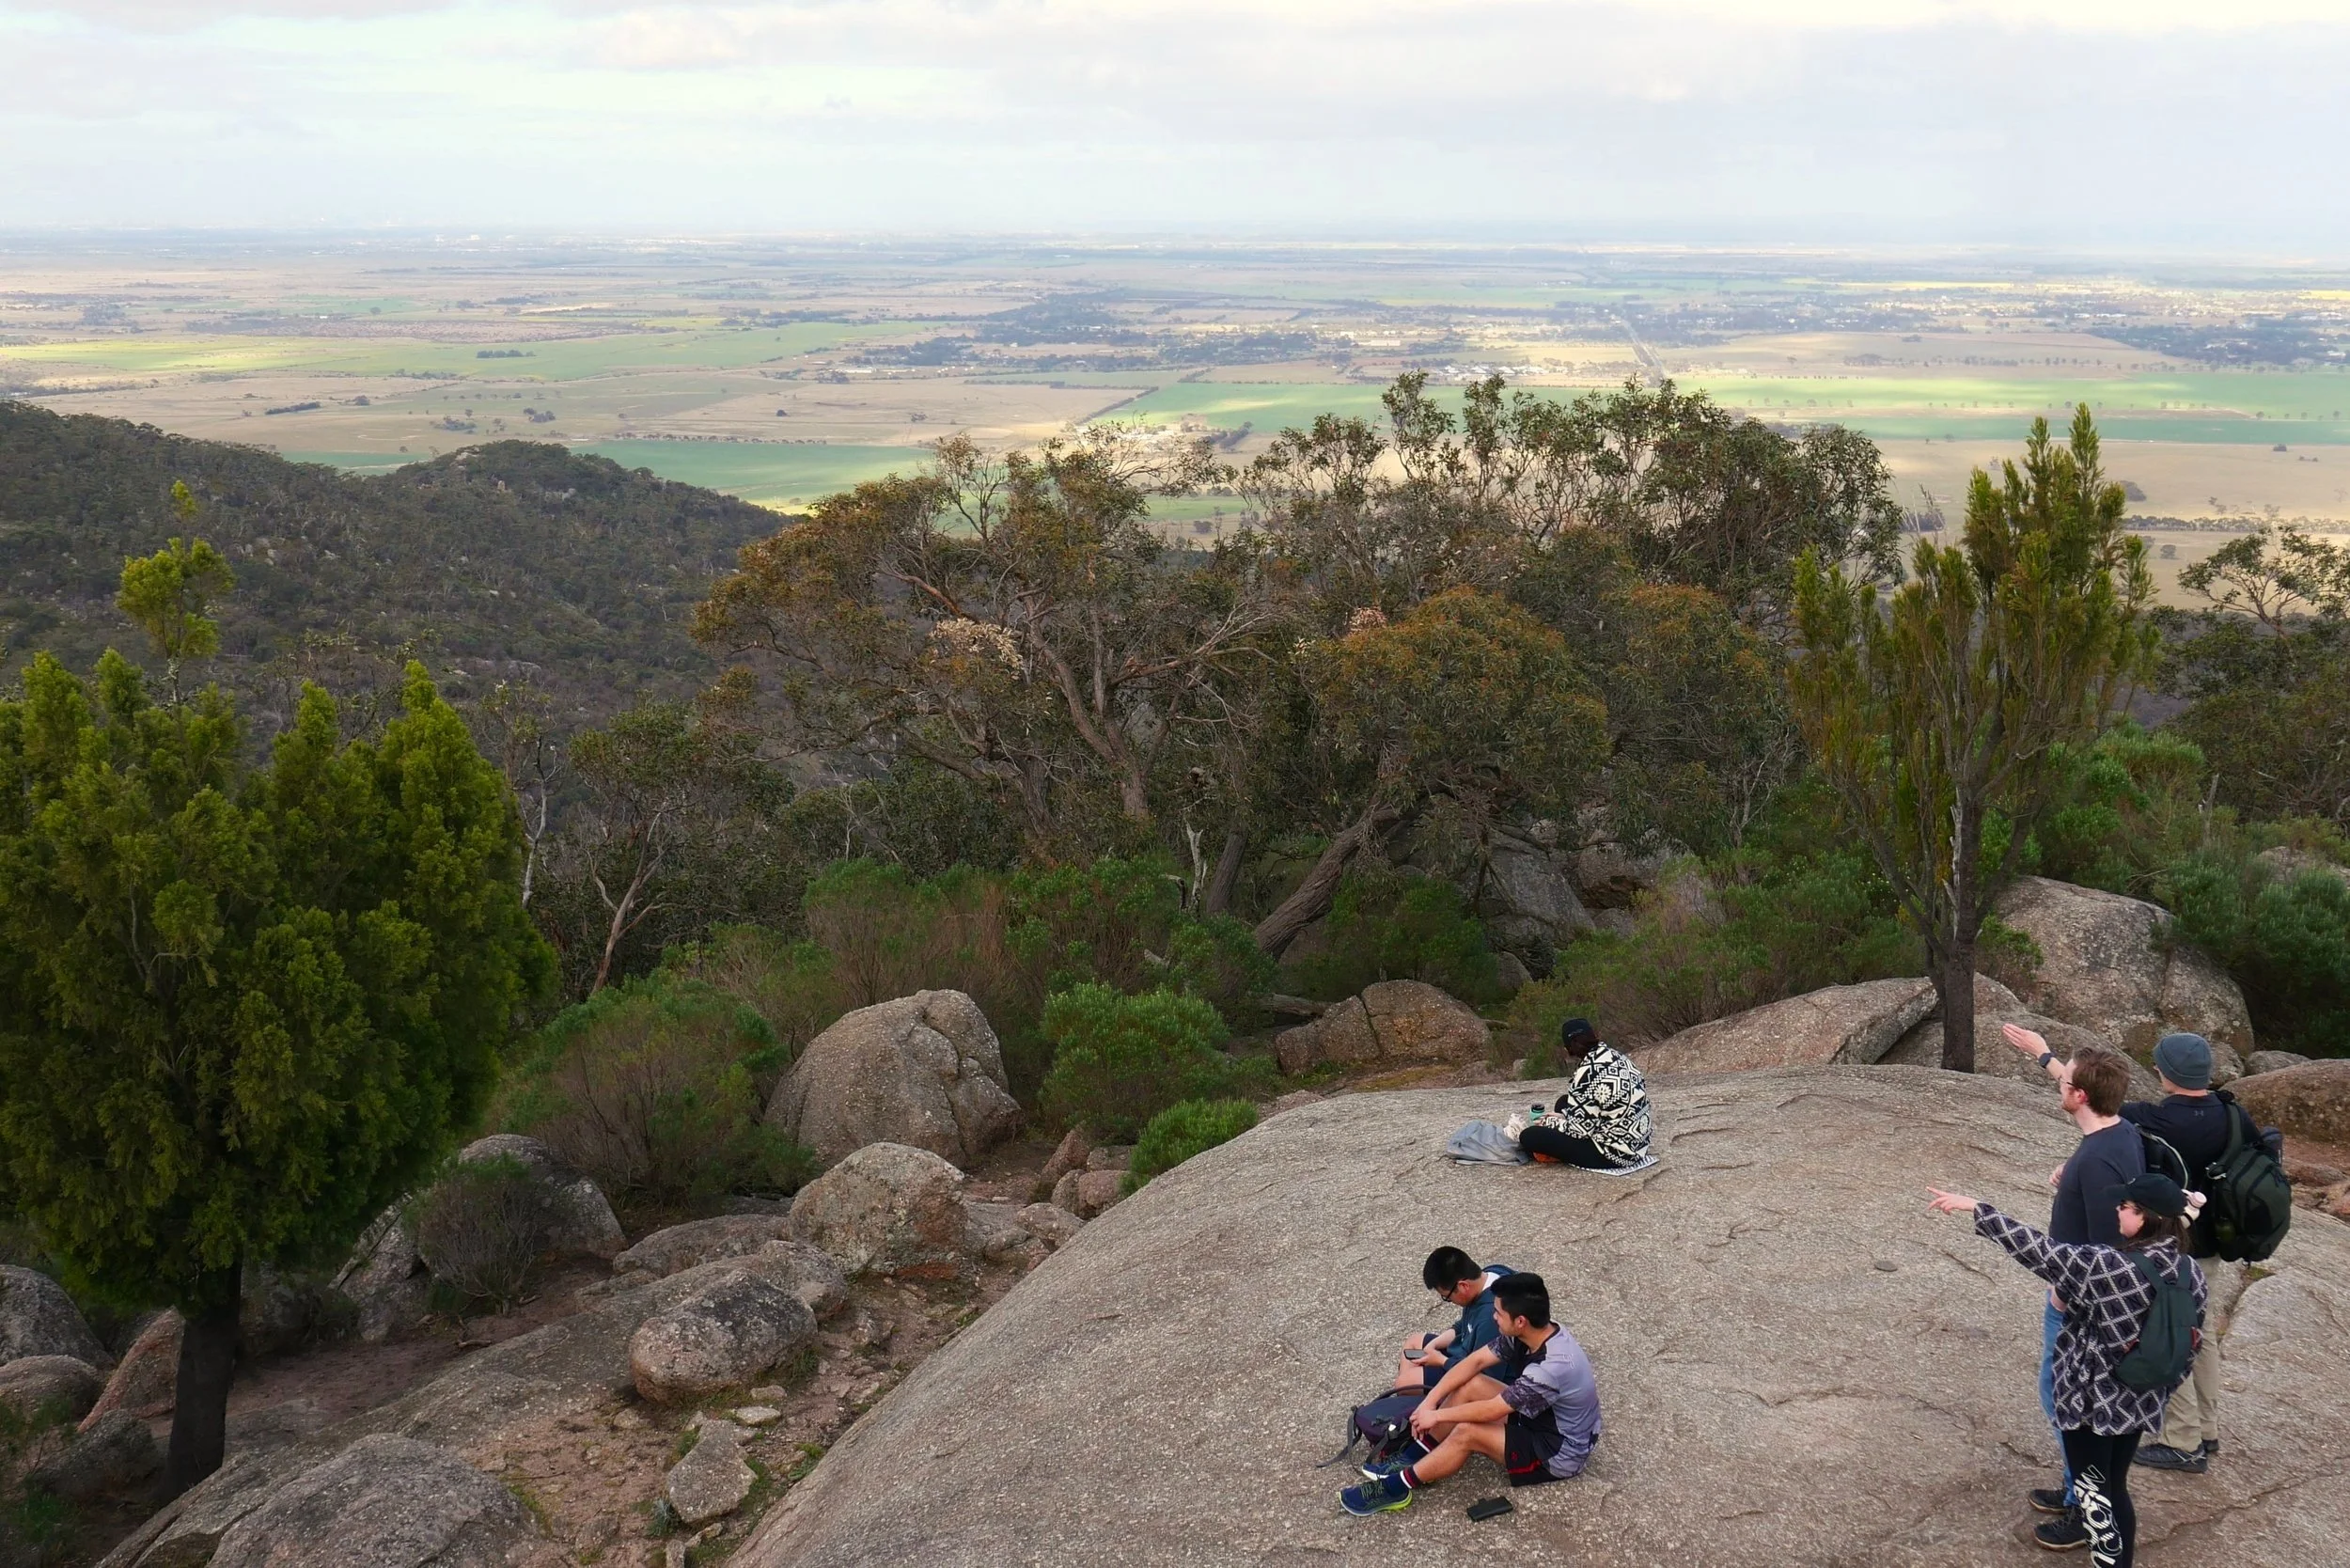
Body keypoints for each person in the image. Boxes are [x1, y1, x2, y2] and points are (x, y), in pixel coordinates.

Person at [1926, 1173, 2208, 1568]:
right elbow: (2191, 1341)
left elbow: (2041, 1252)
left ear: (2145, 1217)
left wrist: (1978, 1209)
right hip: (2139, 1399)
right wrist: (2160, 1389)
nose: (2117, 1210)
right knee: (2114, 1487)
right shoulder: (2189, 1270)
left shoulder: (2111, 1266)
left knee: (2093, 1490)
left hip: (2091, 1404)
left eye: (2125, 1207)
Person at [2001, 1032, 2144, 1551]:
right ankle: (2073, 1490)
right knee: (2064, 1405)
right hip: (2082, 1306)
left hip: (2082, 1312)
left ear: (2079, 1096)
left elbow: (2108, 1252)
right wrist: (2041, 1052)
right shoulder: (2119, 1132)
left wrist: (2066, 1296)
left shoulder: (2097, 1161)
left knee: (2066, 1405)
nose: (2060, 1084)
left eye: (2067, 1081)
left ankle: (2086, 1511)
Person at [1341, 1273, 1600, 1515]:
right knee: (1470, 1385)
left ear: (1520, 1321)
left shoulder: (1550, 1369)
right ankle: (1413, 1456)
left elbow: (1492, 1410)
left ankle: (1395, 1488)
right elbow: (1474, 1362)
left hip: (1556, 1452)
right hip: (1539, 1416)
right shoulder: (1533, 1333)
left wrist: (1438, 1416)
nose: (1493, 1317)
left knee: (1467, 1433)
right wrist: (1429, 1403)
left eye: (1498, 1312)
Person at [1517, 1017, 1652, 1170]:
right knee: (1564, 1102)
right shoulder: (1616, 1056)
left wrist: (1549, 1122)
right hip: (1638, 1143)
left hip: (1614, 1155)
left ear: (1568, 1048)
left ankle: (1553, 1152)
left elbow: (1579, 1132)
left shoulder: (1585, 1075)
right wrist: (1565, 1116)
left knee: (1529, 1136)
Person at [1394, 1247, 1514, 1391]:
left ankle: (1425, 1406)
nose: (1448, 1300)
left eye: (1447, 1296)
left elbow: (1482, 1373)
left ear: (1463, 1286)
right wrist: (1434, 1345)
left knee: (1405, 1383)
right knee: (1414, 1342)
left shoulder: (1492, 1317)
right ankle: (1415, 1398)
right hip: (1464, 1352)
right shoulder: (1492, 1274)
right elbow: (1463, 1325)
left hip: (1476, 1374)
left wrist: (1441, 1361)